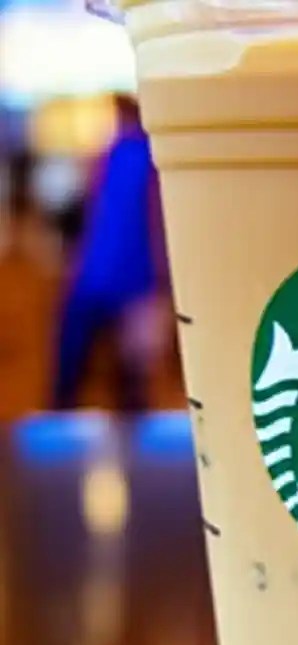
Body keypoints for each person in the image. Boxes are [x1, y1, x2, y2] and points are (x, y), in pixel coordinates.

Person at [52, 94, 170, 411]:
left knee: (72, 373)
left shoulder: (114, 153)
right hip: (129, 279)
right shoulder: (142, 153)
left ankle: (64, 429)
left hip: (100, 277)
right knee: (130, 380)